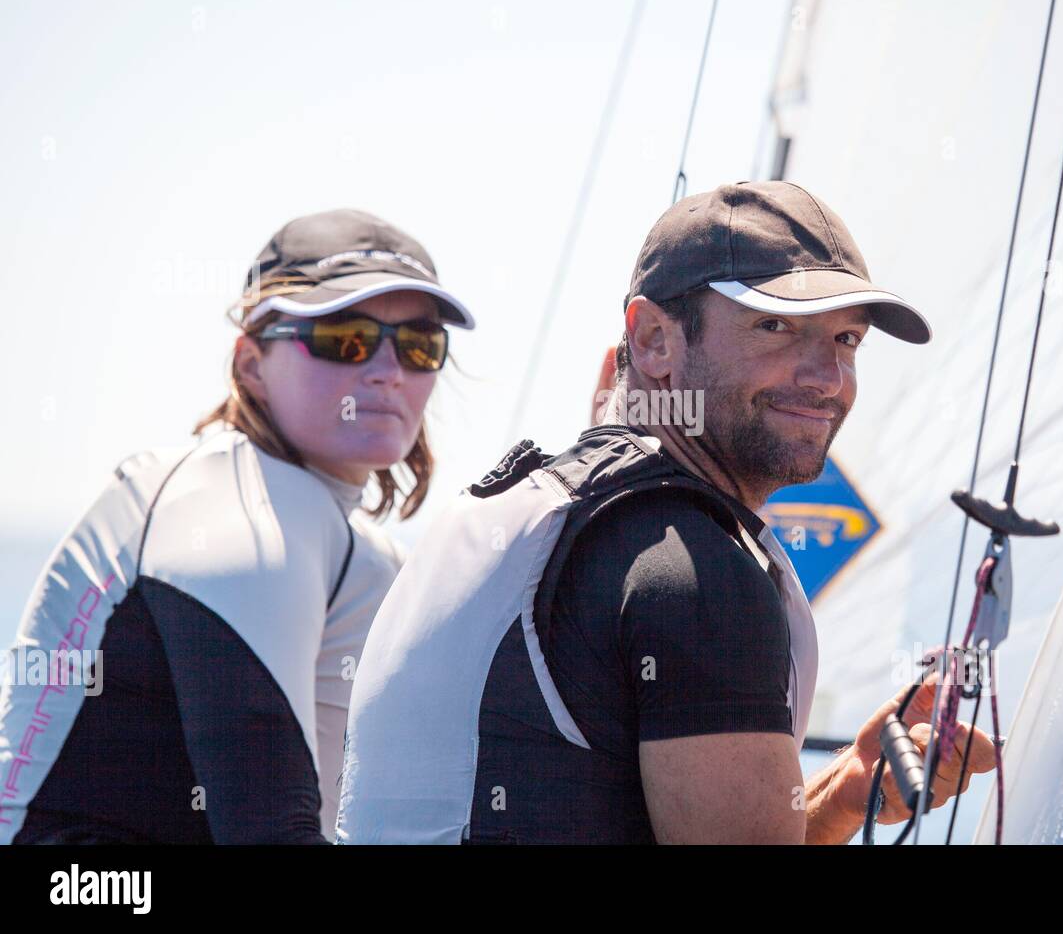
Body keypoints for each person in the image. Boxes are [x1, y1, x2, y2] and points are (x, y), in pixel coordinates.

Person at [336, 180, 994, 844]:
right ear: (653, 339)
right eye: (776, 327)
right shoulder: (693, 575)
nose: (826, 376)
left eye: (846, 339)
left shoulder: (524, 510)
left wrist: (842, 795)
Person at [0, 208, 474, 844]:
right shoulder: (228, 507)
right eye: (346, 337)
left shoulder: (362, 552)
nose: (388, 369)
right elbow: (268, 833)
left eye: (420, 344)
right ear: (251, 363)